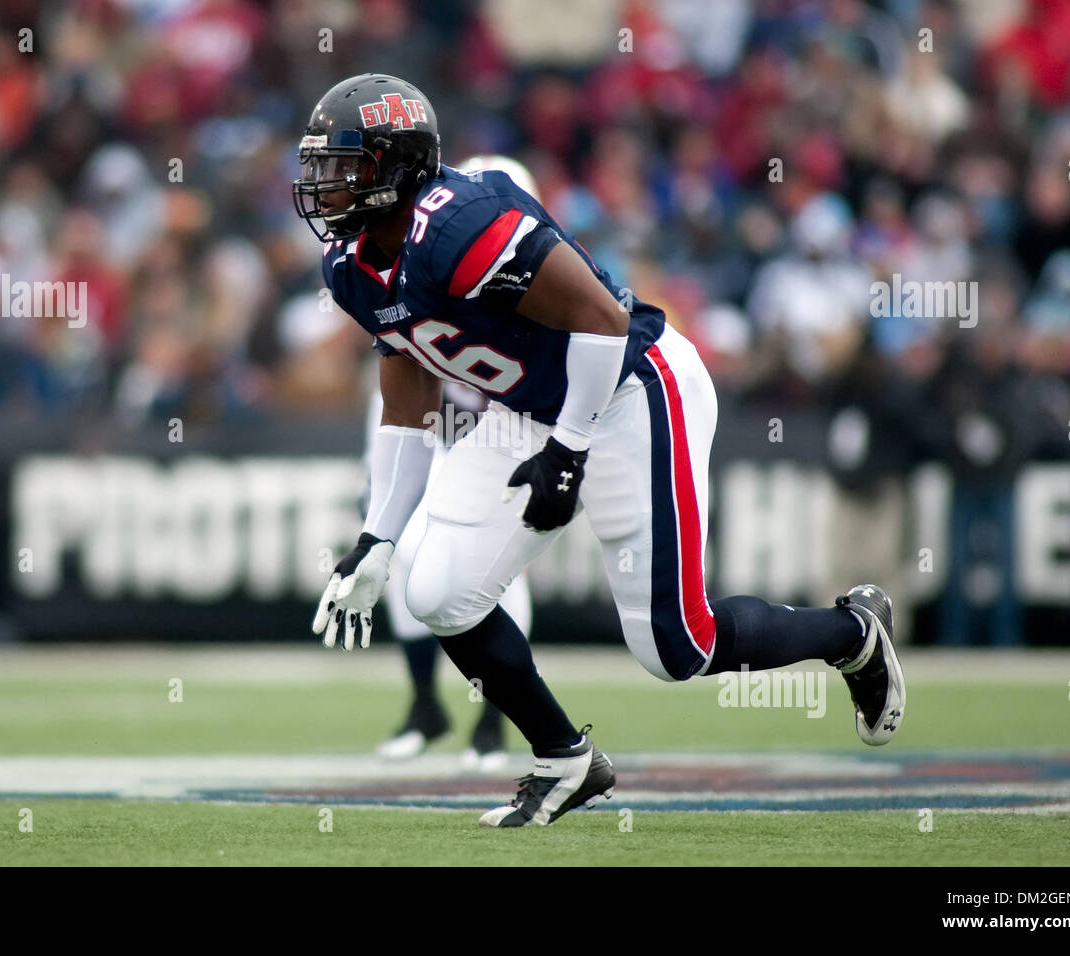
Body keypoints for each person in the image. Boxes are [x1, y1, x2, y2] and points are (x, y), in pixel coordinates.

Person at [296, 74, 906, 827]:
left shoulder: (457, 224)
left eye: (344, 164)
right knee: (437, 592)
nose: (324, 185)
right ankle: (564, 759)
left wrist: (569, 449)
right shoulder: (351, 268)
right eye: (320, 166)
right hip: (533, 408)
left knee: (676, 647)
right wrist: (378, 537)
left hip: (630, 386)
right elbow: (408, 397)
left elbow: (601, 317)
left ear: (396, 165)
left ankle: (854, 634)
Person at [369, 156, 542, 771]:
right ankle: (425, 705)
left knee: (491, 575)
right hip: (438, 439)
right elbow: (397, 385)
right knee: (402, 555)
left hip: (510, 441)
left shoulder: (541, 285)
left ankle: (495, 717)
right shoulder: (422, 275)